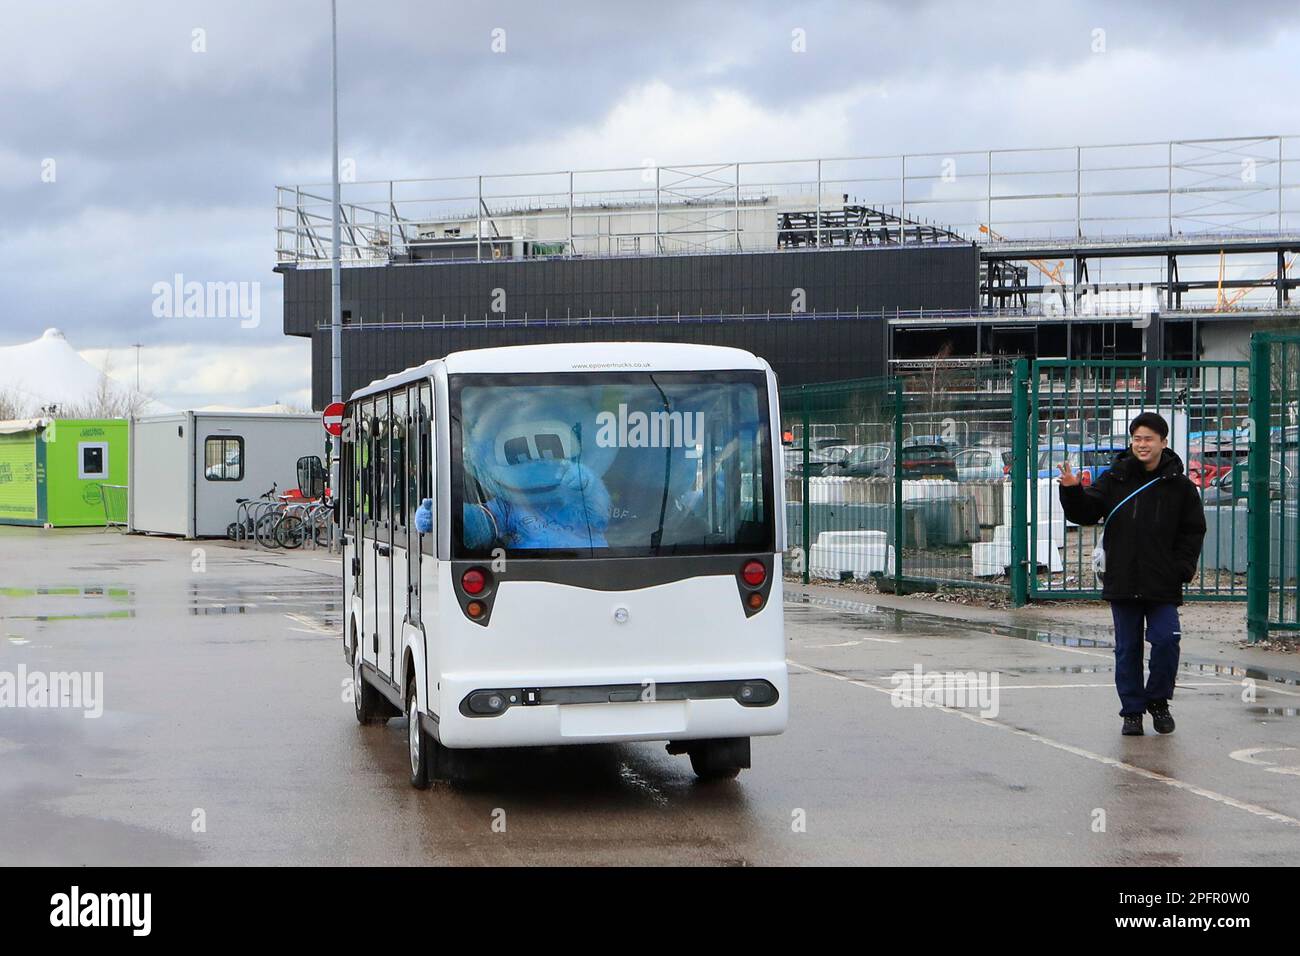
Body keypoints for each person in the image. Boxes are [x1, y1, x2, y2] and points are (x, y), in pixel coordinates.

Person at [1057, 412, 1206, 737]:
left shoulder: (1179, 486)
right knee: (1128, 648)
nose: (1142, 444)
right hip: (1123, 578)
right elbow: (1086, 512)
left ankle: (1158, 701)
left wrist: (1182, 567)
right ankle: (1132, 712)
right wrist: (1071, 491)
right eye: (1137, 438)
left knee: (1167, 640)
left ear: (1163, 443)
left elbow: (1192, 531)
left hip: (1162, 581)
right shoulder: (1115, 478)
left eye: (1148, 438)